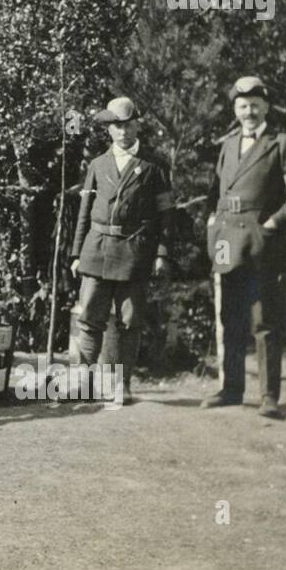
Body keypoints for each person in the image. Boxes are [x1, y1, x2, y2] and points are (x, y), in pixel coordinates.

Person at [202, 76, 286, 420]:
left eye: (255, 105)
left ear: (266, 107)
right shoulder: (228, 144)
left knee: (264, 322)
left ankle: (269, 396)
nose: (249, 111)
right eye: (243, 106)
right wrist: (212, 223)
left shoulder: (281, 143)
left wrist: (273, 223)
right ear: (235, 109)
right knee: (229, 318)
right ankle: (231, 389)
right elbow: (215, 192)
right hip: (226, 242)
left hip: (262, 243)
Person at [68, 97, 173, 402]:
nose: (123, 132)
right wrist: (76, 254)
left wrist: (162, 253)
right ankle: (83, 383)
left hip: (134, 251)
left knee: (129, 321)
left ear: (138, 125)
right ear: (108, 129)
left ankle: (120, 384)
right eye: (116, 126)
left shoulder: (155, 166)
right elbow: (84, 211)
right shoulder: (98, 165)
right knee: (89, 318)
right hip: (97, 249)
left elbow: (167, 215)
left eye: (128, 125)